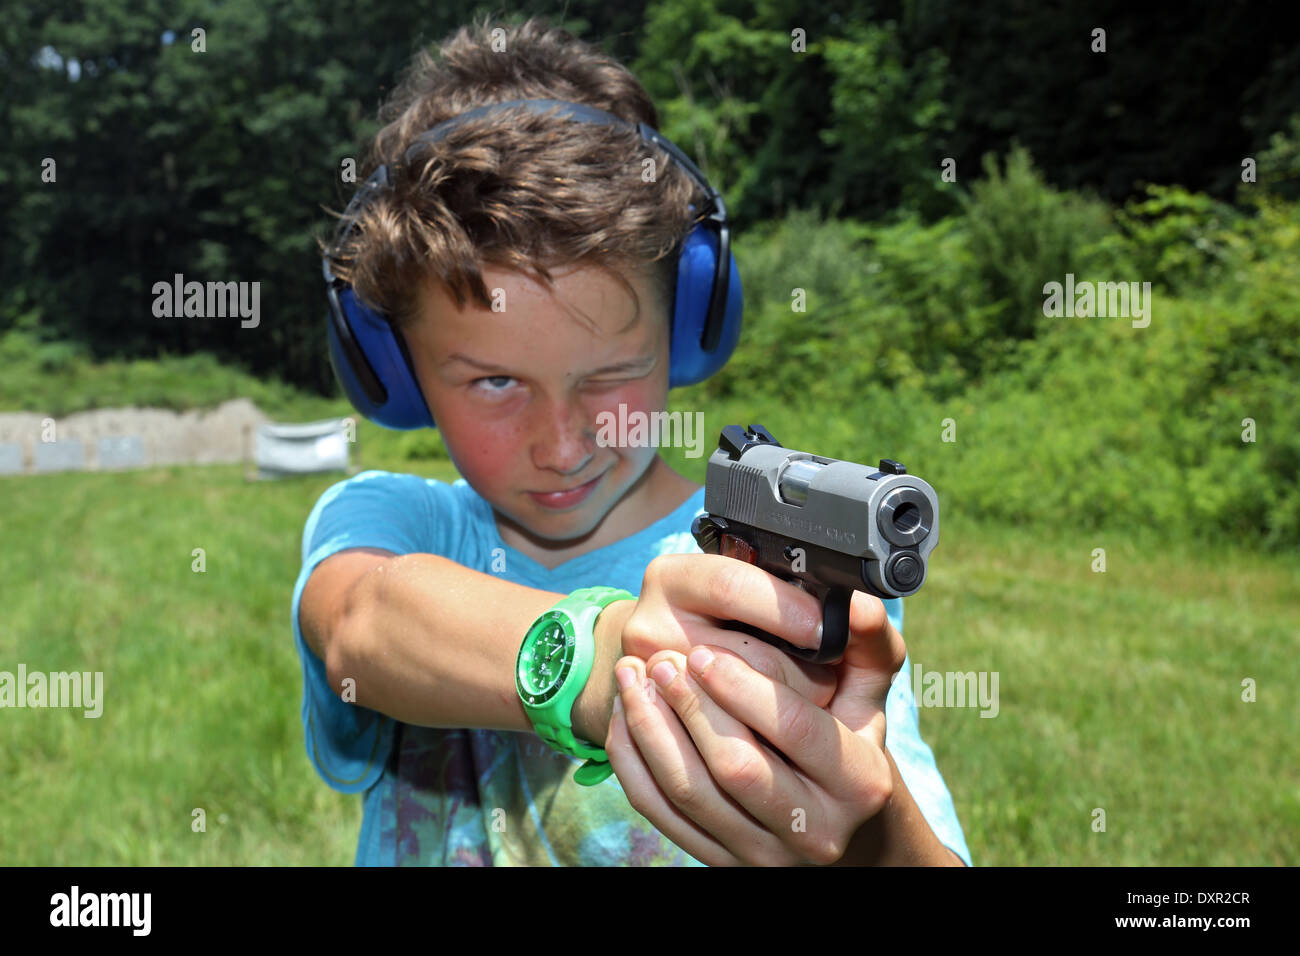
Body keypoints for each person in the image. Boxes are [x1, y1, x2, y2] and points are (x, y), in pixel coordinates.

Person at [294, 15, 972, 866]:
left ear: (687, 327)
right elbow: (365, 620)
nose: (564, 442)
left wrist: (867, 840)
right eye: (496, 382)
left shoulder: (776, 582)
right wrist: (606, 655)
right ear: (394, 369)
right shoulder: (395, 519)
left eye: (611, 374)